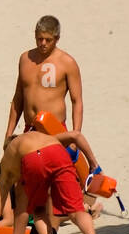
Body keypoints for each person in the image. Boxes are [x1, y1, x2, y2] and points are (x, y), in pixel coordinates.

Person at [0, 130, 105, 234]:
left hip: (34, 159)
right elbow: (76, 135)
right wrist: (93, 164)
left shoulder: (6, 166)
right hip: (58, 152)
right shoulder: (44, 137)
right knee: (76, 208)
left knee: (38, 210)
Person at [5, 15, 83, 144]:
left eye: (48, 40)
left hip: (55, 130)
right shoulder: (25, 59)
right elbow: (18, 99)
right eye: (39, 39)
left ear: (57, 38)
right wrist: (8, 134)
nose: (43, 44)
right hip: (29, 129)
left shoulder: (67, 62)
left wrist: (75, 136)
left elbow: (77, 101)